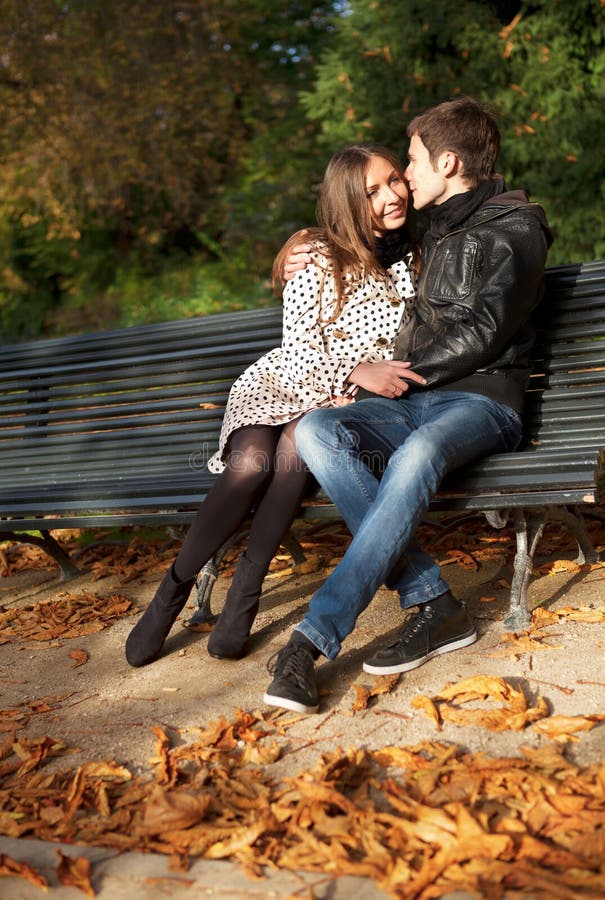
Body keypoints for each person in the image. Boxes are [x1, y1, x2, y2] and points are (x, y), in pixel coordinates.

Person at [263, 96, 553, 714]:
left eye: (413, 162)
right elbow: (354, 242)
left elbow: (484, 332)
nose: (405, 178)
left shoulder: (516, 228)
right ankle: (434, 601)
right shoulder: (433, 231)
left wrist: (398, 376)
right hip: (421, 398)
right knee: (318, 433)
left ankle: (311, 641)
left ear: (448, 162)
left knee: (417, 453)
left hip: (482, 403)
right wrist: (304, 242)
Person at [125, 143, 425, 667]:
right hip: (284, 382)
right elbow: (299, 345)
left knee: (294, 455)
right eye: (371, 191)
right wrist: (351, 370)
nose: (390, 195)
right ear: (346, 201)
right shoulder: (316, 253)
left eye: (394, 180)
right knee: (250, 465)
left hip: (337, 402)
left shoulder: (410, 256)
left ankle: (246, 587)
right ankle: (171, 593)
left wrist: (355, 386)